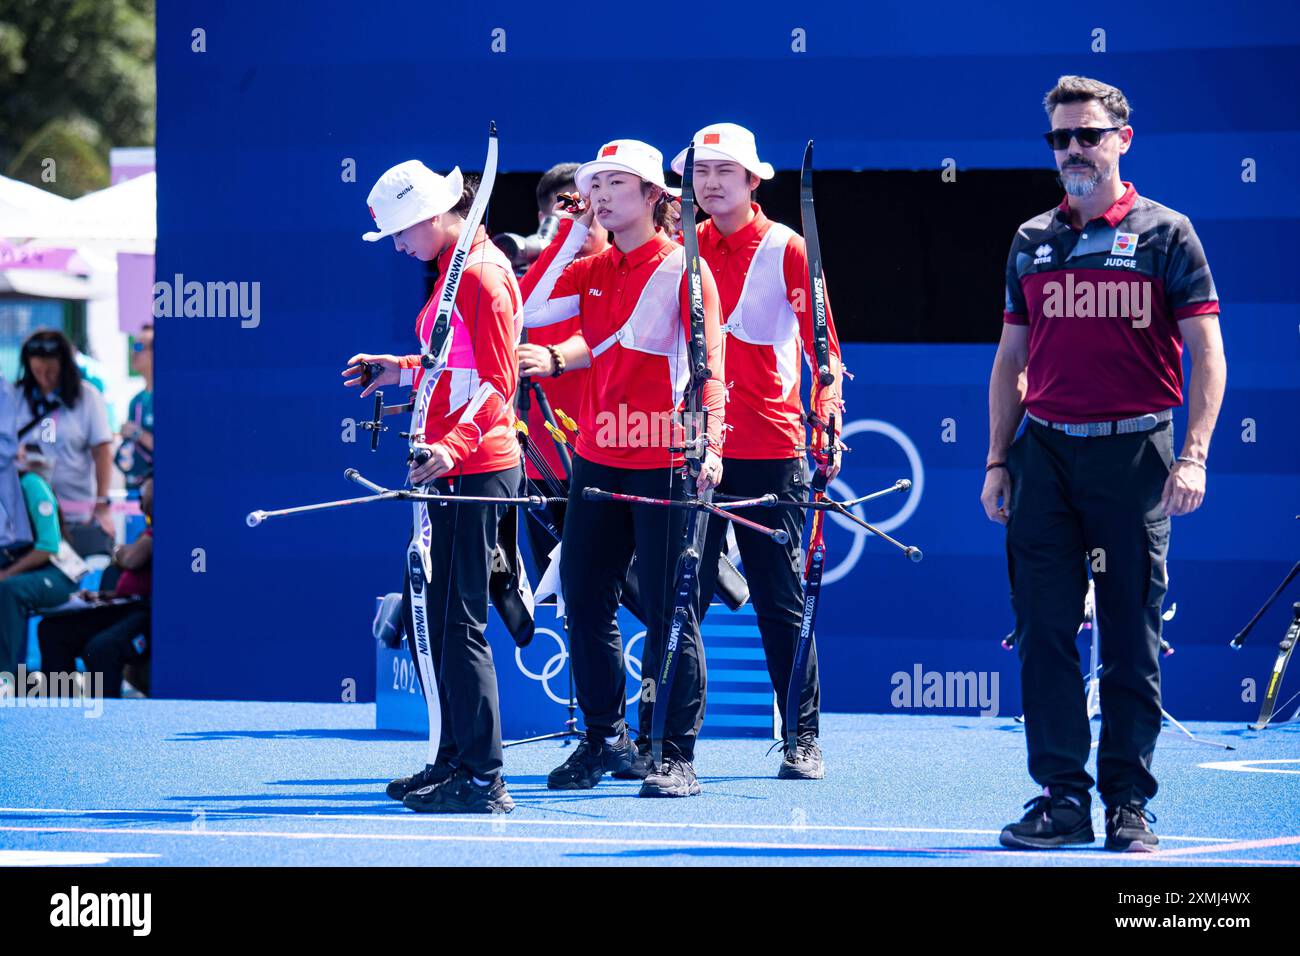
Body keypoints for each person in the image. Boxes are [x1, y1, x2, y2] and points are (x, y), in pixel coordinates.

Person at [982, 76, 1227, 852]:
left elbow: (1207, 354)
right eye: (1061, 138)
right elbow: (1010, 358)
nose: (1074, 150)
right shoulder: (1031, 239)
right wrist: (996, 460)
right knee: (1045, 631)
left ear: (1123, 138)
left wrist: (1192, 456)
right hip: (1044, 454)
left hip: (1136, 453)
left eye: (1088, 134)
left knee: (1130, 635)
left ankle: (1128, 802)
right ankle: (1061, 797)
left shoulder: (1167, 234)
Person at [523, 139, 725, 797]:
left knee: (671, 611)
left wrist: (711, 446)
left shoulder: (682, 268)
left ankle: (673, 753)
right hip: (597, 458)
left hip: (667, 457)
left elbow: (709, 368)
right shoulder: (595, 266)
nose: (603, 195)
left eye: (616, 184)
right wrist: (570, 233)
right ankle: (604, 738)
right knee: (583, 600)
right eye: (596, 186)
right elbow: (527, 312)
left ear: (653, 196)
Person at [344, 158, 523, 814]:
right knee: (444, 628)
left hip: (473, 468)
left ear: (429, 217)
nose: (397, 246)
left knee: (460, 624)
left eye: (399, 232)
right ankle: (454, 762)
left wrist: (452, 444)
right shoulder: (457, 267)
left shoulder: (481, 272)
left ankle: (484, 780)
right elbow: (456, 363)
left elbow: (501, 384)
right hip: (451, 467)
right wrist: (399, 369)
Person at [675, 123, 846, 780]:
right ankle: (667, 742)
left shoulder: (787, 248)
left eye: (725, 171)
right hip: (692, 446)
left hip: (769, 447)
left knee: (780, 602)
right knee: (676, 597)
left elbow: (822, 344)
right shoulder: (679, 247)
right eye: (701, 172)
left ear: (753, 179)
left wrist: (827, 416)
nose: (711, 183)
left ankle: (801, 736)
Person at [515, 164, 609, 574]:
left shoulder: (625, 267)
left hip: (613, 455)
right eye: (569, 206)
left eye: (588, 205)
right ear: (545, 220)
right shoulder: (525, 282)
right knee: (556, 597)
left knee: (621, 593)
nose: (582, 215)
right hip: (541, 461)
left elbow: (611, 334)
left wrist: (555, 356)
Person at [39, 477, 153, 698]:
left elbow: (131, 558)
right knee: (52, 629)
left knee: (101, 649)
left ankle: (102, 723)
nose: (141, 504)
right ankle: (60, 710)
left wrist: (121, 551)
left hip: (147, 614)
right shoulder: (147, 533)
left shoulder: (157, 535)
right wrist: (105, 595)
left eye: (145, 496)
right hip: (121, 606)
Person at [13, 329, 114, 554]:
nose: (44, 377)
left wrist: (102, 502)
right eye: (37, 370)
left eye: (50, 370)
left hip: (76, 512)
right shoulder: (15, 396)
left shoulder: (87, 397)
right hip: (29, 513)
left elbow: (103, 451)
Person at [0, 442, 90, 683]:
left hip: (57, 574)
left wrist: (6, 574)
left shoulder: (30, 484)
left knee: (9, 589)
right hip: (17, 570)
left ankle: (4, 677)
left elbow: (47, 546)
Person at [116, 324, 155, 493]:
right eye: (133, 346)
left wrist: (138, 434)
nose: (133, 352)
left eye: (139, 347)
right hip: (135, 490)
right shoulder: (136, 401)